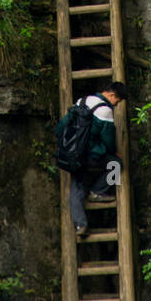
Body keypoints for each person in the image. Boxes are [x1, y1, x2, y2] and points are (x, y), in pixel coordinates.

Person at [58, 83, 127, 237]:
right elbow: (108, 139)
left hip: (71, 155)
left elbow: (63, 125)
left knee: (76, 186)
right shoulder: (105, 110)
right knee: (116, 164)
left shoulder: (81, 101)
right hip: (91, 156)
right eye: (118, 101)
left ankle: (80, 225)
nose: (117, 104)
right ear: (112, 95)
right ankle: (100, 191)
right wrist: (114, 152)